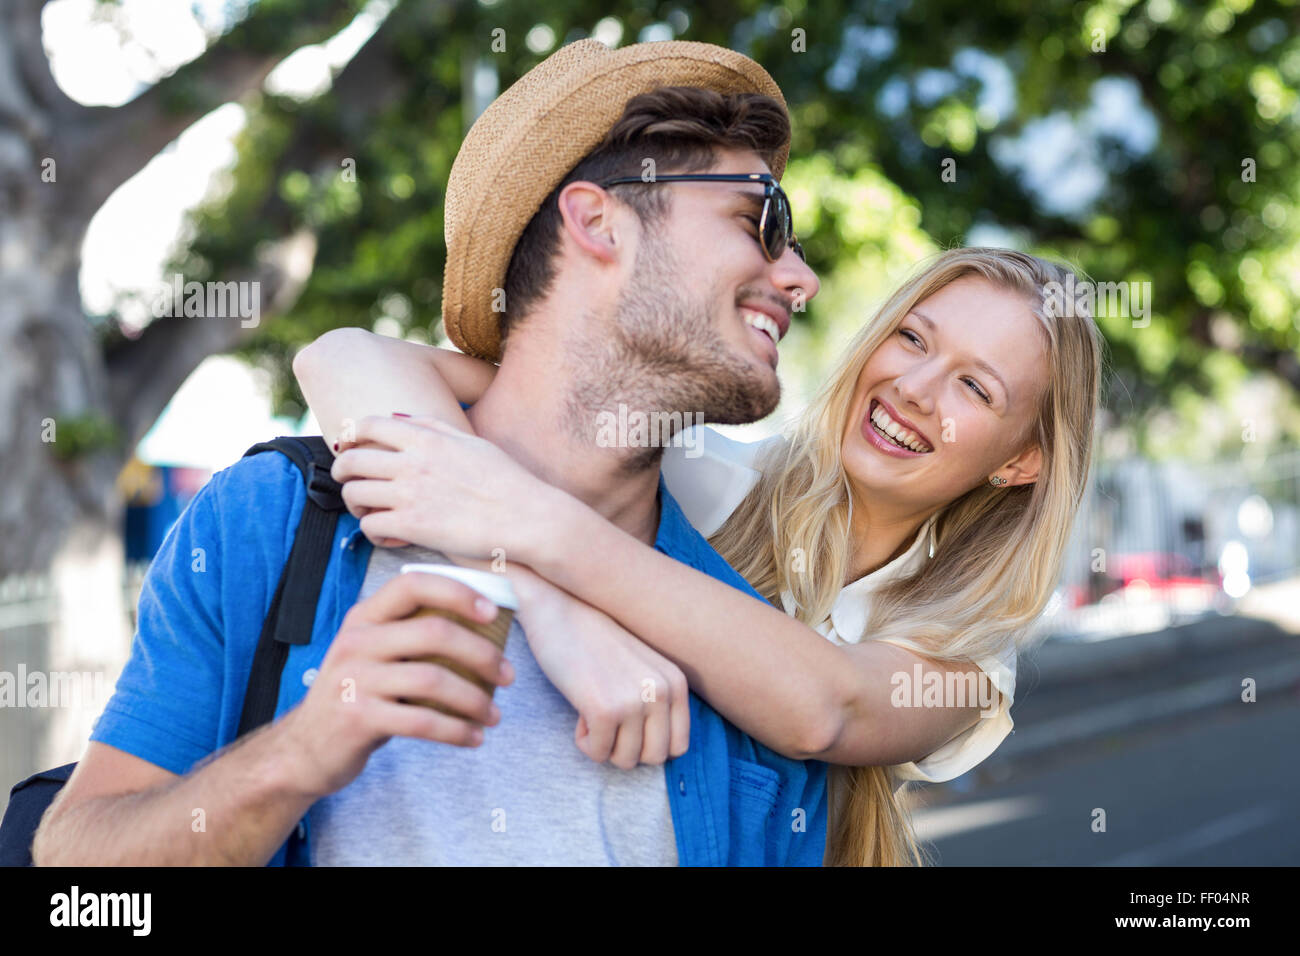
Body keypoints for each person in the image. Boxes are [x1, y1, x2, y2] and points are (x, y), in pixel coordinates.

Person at [32, 39, 831, 867]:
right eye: (761, 220)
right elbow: (78, 878)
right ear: (599, 221)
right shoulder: (268, 524)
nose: (800, 278)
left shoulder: (749, 659)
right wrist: (303, 750)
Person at [295, 246, 1104, 865]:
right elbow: (343, 357)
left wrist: (532, 530)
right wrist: (547, 601)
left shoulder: (962, 664)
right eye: (912, 338)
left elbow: (826, 708)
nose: (915, 388)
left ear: (1021, 461)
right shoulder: (692, 468)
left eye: (976, 388)